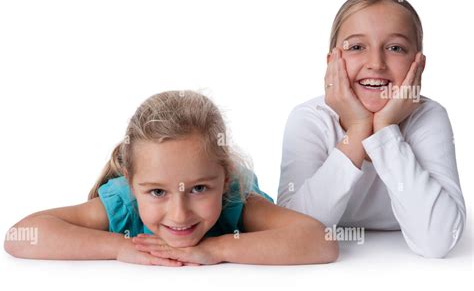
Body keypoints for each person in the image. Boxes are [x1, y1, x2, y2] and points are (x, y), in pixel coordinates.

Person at [5, 90, 338, 266]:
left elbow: (320, 242)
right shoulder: (123, 204)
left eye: (198, 188)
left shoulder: (235, 199)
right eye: (157, 192)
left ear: (224, 179)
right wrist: (120, 248)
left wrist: (217, 248)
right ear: (131, 183)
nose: (179, 214)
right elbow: (21, 236)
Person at [277, 0, 465, 258]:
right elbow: (293, 232)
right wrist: (357, 130)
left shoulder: (429, 117)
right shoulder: (308, 119)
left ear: (418, 65)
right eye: (356, 47)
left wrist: (386, 129)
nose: (375, 64)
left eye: (395, 48)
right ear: (332, 62)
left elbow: (437, 241)